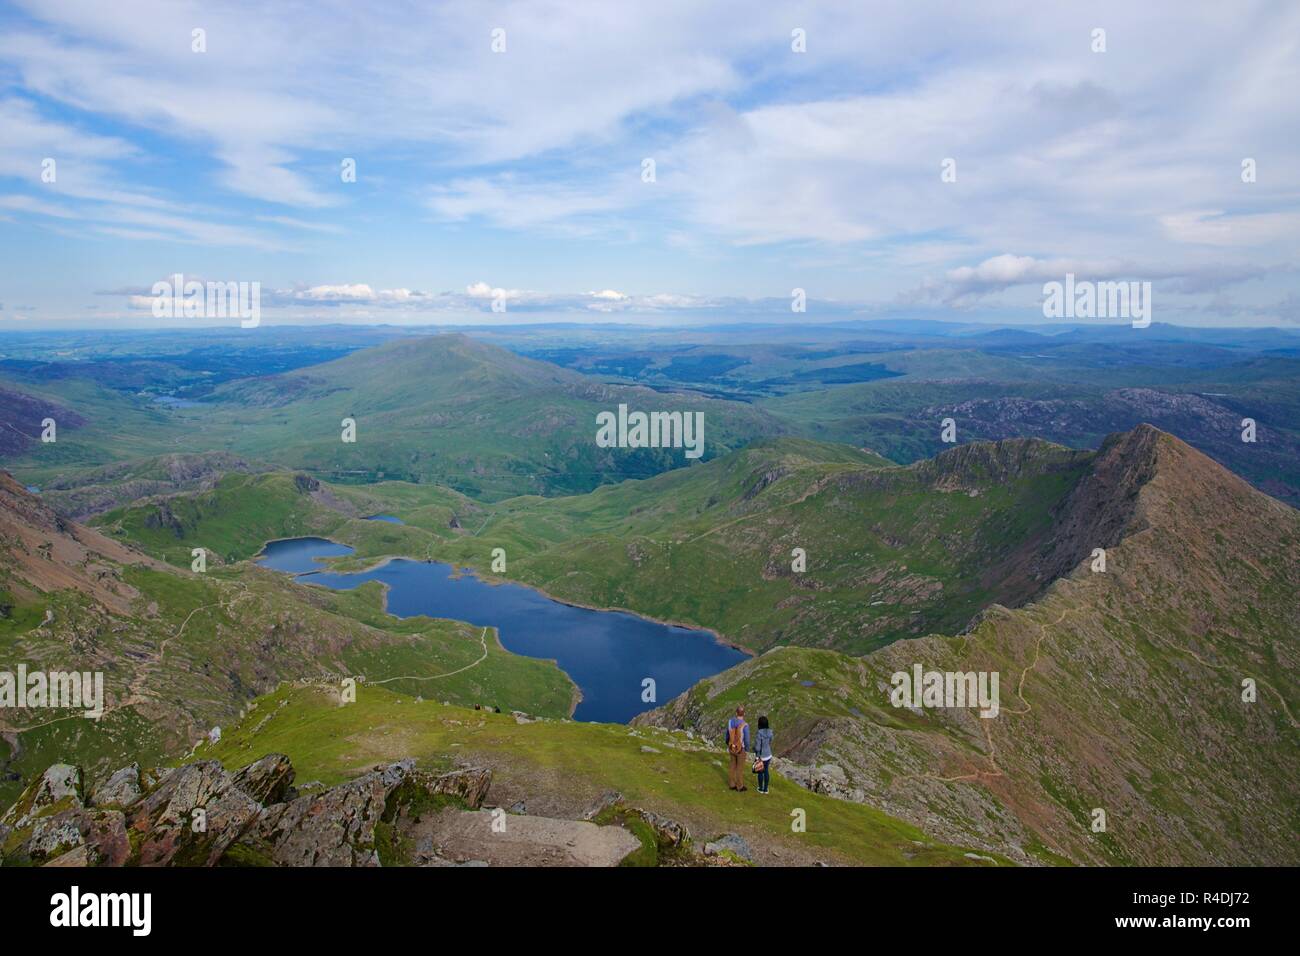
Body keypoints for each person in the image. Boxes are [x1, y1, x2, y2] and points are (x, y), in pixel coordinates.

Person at [724, 705, 749, 791]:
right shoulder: (745, 725)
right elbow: (747, 739)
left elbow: (727, 733)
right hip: (740, 749)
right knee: (739, 768)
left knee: (732, 765)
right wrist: (747, 749)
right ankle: (740, 786)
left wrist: (728, 743)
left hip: (731, 746)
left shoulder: (730, 722)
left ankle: (731, 784)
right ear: (744, 714)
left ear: (736, 713)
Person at [753, 715, 773, 794]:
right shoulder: (770, 732)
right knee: (766, 771)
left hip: (761, 756)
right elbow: (770, 741)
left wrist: (755, 750)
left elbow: (757, 747)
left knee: (760, 772)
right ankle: (766, 789)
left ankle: (761, 788)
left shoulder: (759, 734)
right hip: (768, 754)